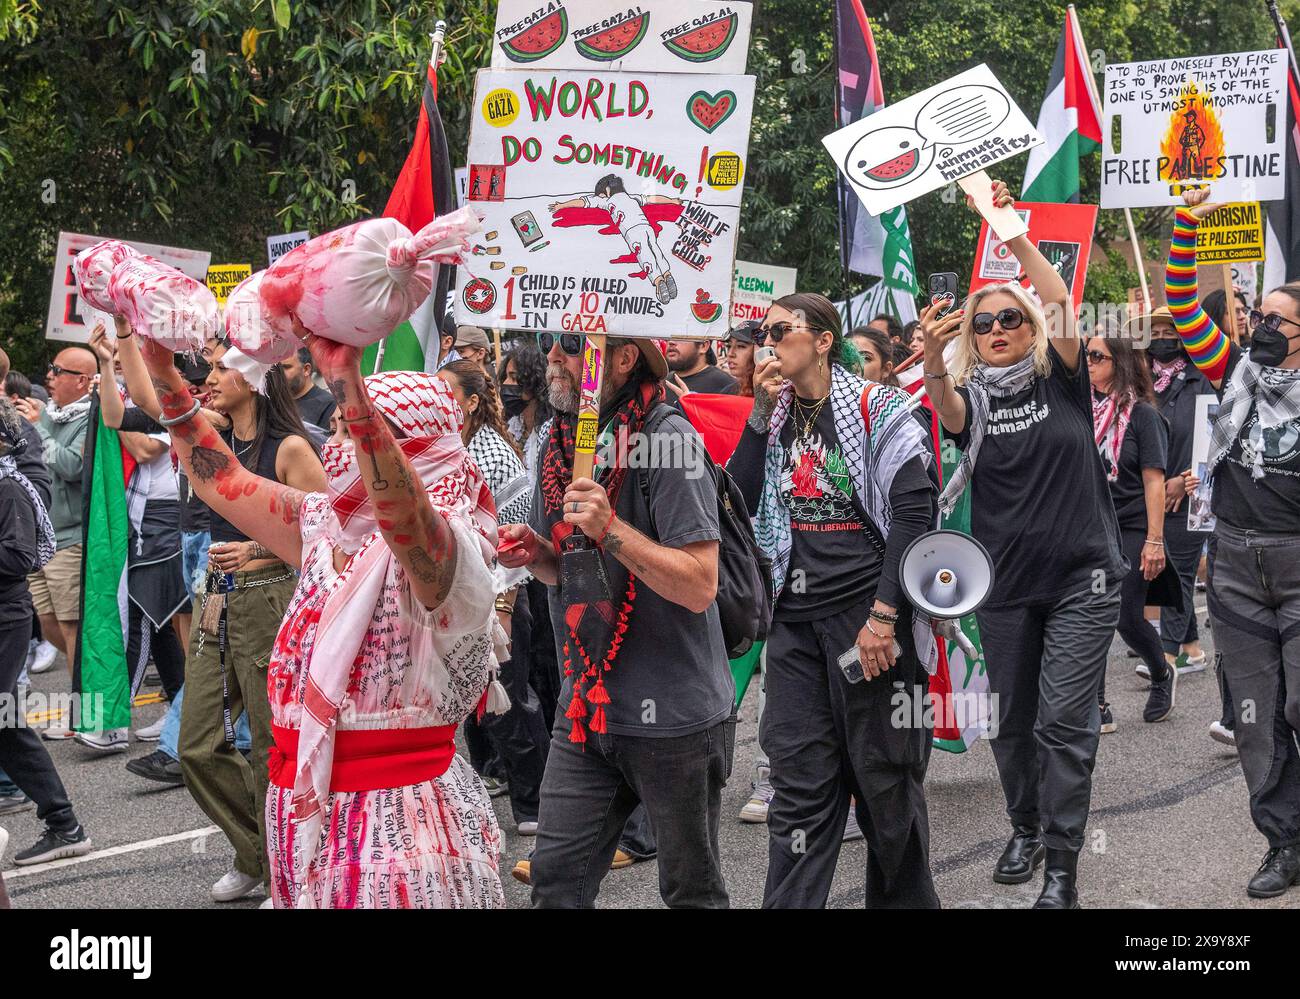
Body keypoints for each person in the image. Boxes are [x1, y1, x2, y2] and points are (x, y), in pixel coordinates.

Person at [135, 322, 507, 909]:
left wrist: (351, 389)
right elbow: (221, 477)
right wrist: (160, 366)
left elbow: (406, 517)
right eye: (334, 426)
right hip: (308, 815)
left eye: (352, 432)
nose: (335, 444)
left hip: (399, 829)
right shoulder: (322, 527)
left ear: (416, 450)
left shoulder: (451, 555)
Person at [922, 179, 1125, 909]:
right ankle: (1025, 826)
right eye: (986, 324)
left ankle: (1064, 867)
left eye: (1011, 318)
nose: (999, 328)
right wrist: (933, 357)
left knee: (1062, 724)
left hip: (1082, 580)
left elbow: (1063, 299)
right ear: (972, 339)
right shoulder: (970, 400)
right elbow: (942, 404)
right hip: (1003, 584)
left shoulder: (1061, 378)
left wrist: (1004, 226)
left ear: (1031, 326)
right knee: (1009, 724)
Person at [499, 331, 733, 908]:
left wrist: (612, 530)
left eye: (573, 344)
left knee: (690, 893)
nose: (553, 356)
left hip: (673, 715)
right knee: (555, 882)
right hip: (585, 710)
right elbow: (569, 570)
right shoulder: (559, 444)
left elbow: (700, 584)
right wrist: (540, 556)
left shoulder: (667, 437)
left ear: (623, 357)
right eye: (550, 341)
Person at [726, 293, 939, 907]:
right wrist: (760, 415)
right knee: (798, 786)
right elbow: (735, 504)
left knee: (886, 785)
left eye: (781, 331)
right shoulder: (775, 413)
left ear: (822, 340)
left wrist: (884, 616)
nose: (768, 344)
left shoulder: (880, 408)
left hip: (870, 618)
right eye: (763, 333)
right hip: (794, 623)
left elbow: (913, 512)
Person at [114, 324, 324, 902]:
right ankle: (260, 850)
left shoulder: (292, 449)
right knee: (196, 744)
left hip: (272, 600)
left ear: (255, 381)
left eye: (222, 369)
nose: (209, 379)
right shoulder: (217, 439)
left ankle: (282, 863)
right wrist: (130, 342)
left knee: (268, 741)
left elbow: (327, 538)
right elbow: (157, 404)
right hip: (216, 596)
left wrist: (257, 550)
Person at [1165, 187, 1300, 899]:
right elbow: (1185, 301)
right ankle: (1284, 840)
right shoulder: (1234, 371)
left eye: (1278, 321)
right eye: (1259, 317)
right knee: (1253, 715)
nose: (1261, 328)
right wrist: (1188, 222)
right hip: (1238, 566)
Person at [438, 359, 549, 835]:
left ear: (472, 402)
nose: (438, 401)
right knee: (471, 702)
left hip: (501, 596)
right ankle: (490, 773)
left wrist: (502, 608)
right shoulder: (444, 449)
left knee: (510, 698)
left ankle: (536, 802)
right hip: (460, 597)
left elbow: (512, 546)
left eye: (447, 392)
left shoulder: (494, 456)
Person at [83, 325, 189, 753]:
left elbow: (145, 449)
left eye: (134, 365)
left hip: (166, 519)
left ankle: (113, 716)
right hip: (140, 514)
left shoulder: (180, 403)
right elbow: (114, 417)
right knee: (159, 622)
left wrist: (124, 393)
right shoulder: (141, 401)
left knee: (143, 612)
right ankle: (178, 708)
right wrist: (107, 367)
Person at [0, 396, 93, 864]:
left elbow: (17, 558)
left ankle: (65, 824)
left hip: (5, 617)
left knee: (5, 720)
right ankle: (64, 822)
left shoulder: (9, 488)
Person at [1085, 332, 1175, 729]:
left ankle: (1161, 673)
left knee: (1126, 616)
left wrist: (1155, 540)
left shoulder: (1144, 416)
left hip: (1134, 527)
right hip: (1090, 527)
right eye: (1086, 355)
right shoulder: (1080, 410)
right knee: (1090, 614)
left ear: (1118, 362)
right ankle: (1098, 704)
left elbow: (1155, 481)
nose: (1087, 362)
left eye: (1096, 356)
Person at [14, 346, 95, 739]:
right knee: (48, 625)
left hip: (72, 535)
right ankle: (90, 682)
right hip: (45, 536)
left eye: (57, 370)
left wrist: (38, 428)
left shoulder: (89, 417)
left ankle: (83, 712)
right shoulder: (47, 413)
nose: (48, 376)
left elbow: (73, 466)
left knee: (71, 625)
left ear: (81, 380)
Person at [1142, 308, 1215, 687]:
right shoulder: (1140, 381)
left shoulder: (1203, 379)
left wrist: (1187, 478)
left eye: (1168, 330)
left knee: (1178, 571)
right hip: (1151, 494)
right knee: (1174, 571)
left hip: (1192, 495)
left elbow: (1214, 433)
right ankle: (1193, 649)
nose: (1160, 337)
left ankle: (1165, 658)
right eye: (1153, 330)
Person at [665, 338, 738, 406]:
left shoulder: (728, 386)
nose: (671, 342)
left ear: (703, 346)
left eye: (680, 337)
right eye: (668, 337)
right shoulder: (661, 384)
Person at [279, 347, 337, 429]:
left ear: (306, 369)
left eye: (286, 367)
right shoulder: (273, 402)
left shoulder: (328, 404)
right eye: (276, 368)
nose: (278, 373)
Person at [725, 321, 760, 397]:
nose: (730, 354)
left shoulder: (774, 392)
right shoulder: (727, 391)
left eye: (741, 346)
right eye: (728, 346)